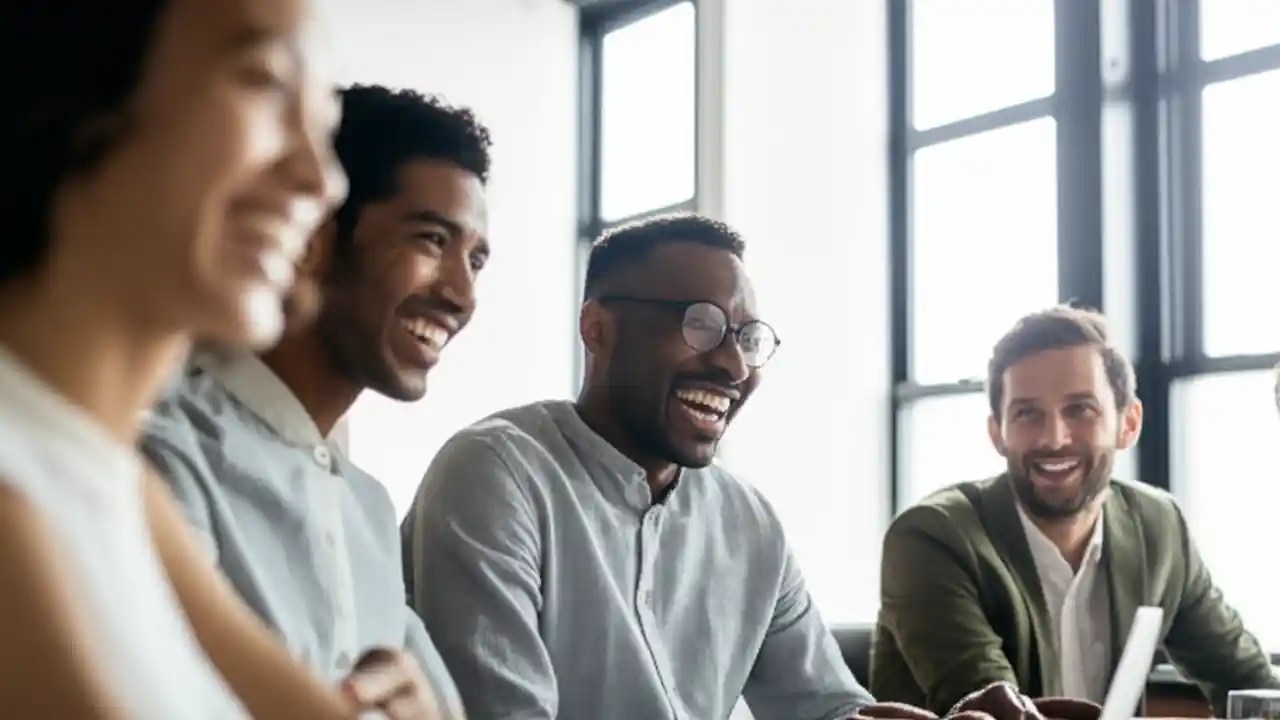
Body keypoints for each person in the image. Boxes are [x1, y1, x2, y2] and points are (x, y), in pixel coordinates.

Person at [0, 1, 441, 717]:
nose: (320, 180)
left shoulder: (113, 480)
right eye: (265, 82)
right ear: (79, 87)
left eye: (323, 126)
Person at [401, 213, 879, 719]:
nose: (735, 366)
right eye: (700, 325)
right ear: (597, 328)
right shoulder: (496, 474)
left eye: (747, 338)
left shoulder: (749, 521)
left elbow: (824, 709)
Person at [142, 83, 492, 719]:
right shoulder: (165, 453)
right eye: (432, 241)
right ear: (316, 239)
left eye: (476, 259)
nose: (462, 293)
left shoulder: (368, 512)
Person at [871, 305, 1280, 716]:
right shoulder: (930, 538)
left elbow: (1247, 679)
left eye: (1080, 409)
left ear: (1129, 423)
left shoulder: (1159, 526)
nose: (1054, 438)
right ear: (997, 432)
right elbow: (995, 711)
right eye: (1027, 413)